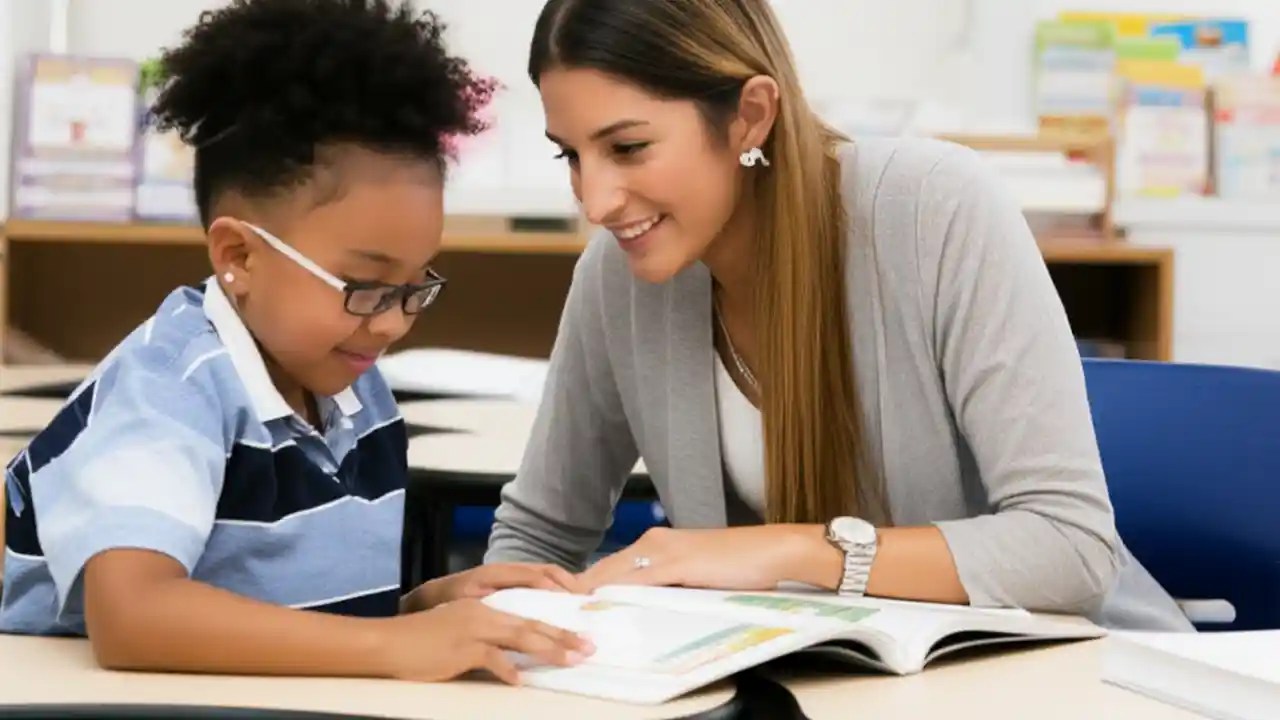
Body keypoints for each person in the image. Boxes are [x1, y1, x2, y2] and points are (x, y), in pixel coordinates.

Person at [484, 0, 1192, 632]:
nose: (596, 200)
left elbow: (1069, 546)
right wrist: (500, 621)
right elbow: (540, 537)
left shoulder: (934, 210)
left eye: (628, 148)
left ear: (750, 116)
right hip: (821, 688)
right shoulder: (618, 276)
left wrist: (794, 549)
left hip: (1059, 687)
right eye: (570, 156)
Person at [1, 0, 594, 682]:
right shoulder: (170, 389)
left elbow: (282, 617)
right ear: (240, 256)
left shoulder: (352, 384)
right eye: (365, 284)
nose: (394, 322)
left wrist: (416, 610)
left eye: (413, 287)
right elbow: (134, 618)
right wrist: (394, 646)